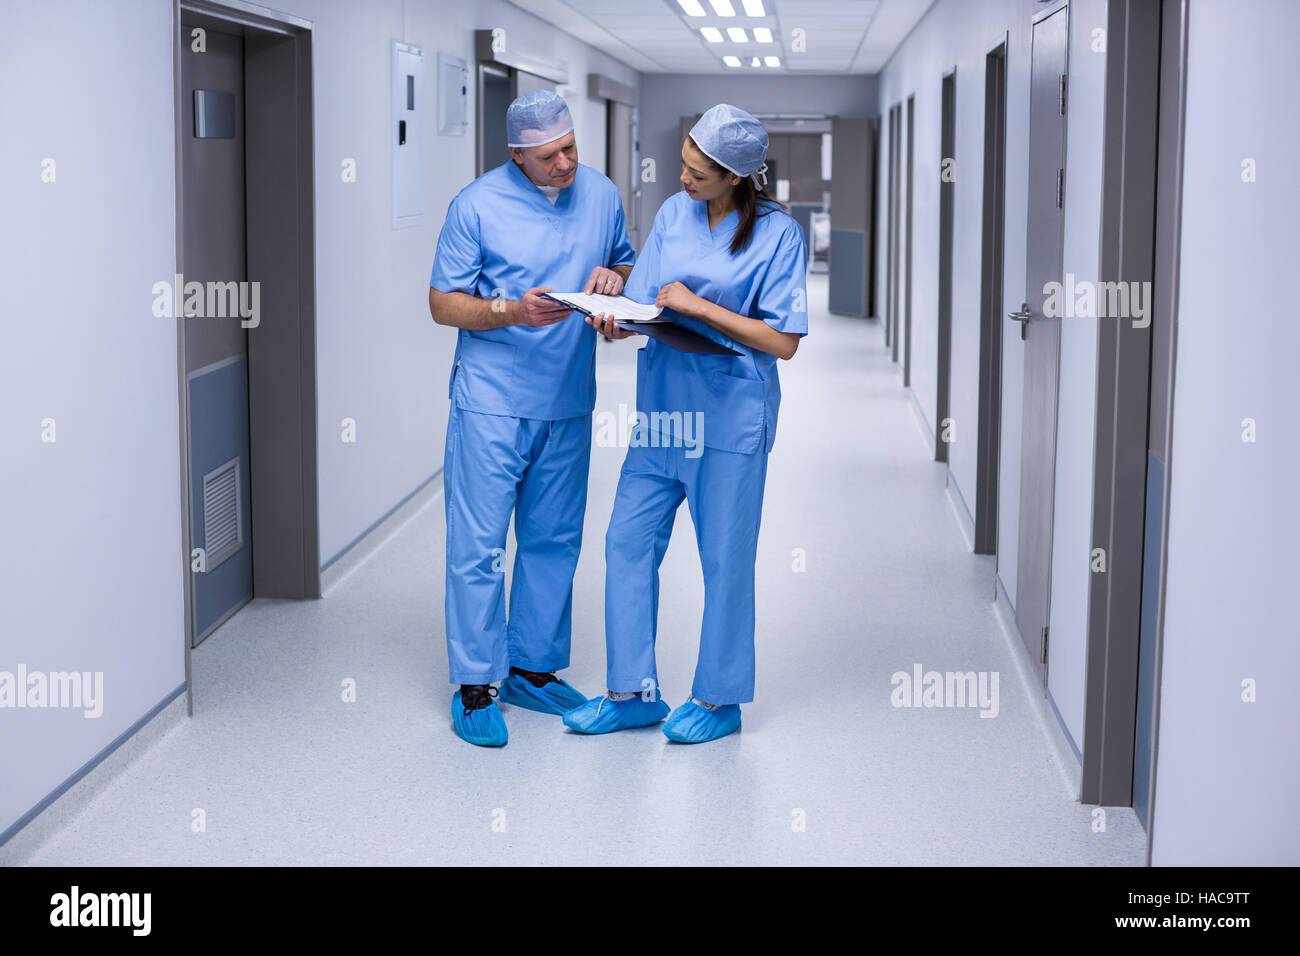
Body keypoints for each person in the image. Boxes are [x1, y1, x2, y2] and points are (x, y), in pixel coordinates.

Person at [563, 104, 808, 743]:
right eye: (683, 166)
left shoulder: (779, 235)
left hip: (730, 416)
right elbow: (647, 300)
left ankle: (719, 699)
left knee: (723, 559)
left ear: (736, 177)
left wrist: (700, 306)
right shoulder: (674, 213)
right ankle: (632, 692)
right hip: (664, 411)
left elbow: (782, 340)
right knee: (626, 541)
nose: (684, 179)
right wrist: (614, 313)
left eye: (699, 173)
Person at [428, 90, 635, 747]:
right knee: (479, 546)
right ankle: (476, 683)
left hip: (567, 399)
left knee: (553, 539)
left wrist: (614, 278)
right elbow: (441, 303)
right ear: (517, 156)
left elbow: (626, 261)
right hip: (492, 400)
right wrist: (509, 311)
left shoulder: (601, 194)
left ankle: (533, 669)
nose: (566, 163)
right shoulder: (476, 206)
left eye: (572, 148)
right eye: (549, 156)